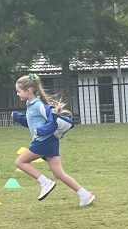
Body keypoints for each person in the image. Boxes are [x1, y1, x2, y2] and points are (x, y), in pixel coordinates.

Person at [12, 73, 94, 206]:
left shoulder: (38, 105)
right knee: (59, 173)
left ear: (29, 91)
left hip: (43, 141)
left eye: (19, 91)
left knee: (20, 162)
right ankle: (85, 195)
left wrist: (42, 131)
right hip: (50, 142)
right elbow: (32, 122)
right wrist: (17, 117)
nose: (17, 94)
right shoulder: (30, 105)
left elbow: (52, 118)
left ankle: (45, 182)